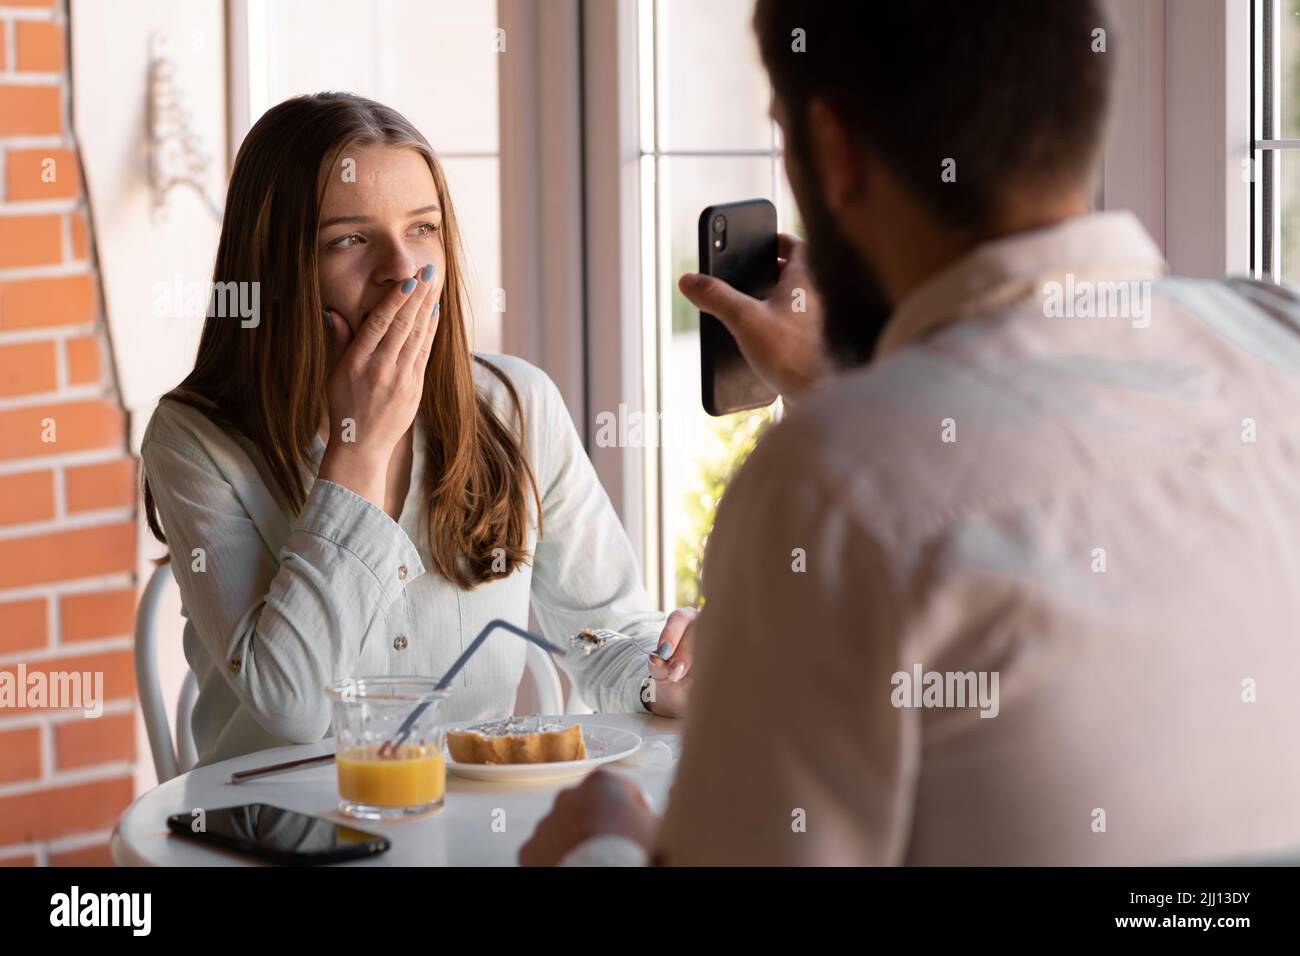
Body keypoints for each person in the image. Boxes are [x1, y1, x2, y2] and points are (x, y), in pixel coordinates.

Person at [521, 0, 1300, 865]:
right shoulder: (1278, 330)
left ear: (835, 150)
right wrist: (842, 394)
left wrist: (609, 847)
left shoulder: (827, 484)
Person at [140, 93, 697, 766]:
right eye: (349, 240)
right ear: (277, 272)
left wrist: (662, 672)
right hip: (274, 833)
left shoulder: (519, 404)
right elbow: (292, 707)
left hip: (468, 826)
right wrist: (360, 447)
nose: (402, 270)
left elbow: (605, 639)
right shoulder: (194, 439)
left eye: (423, 229)